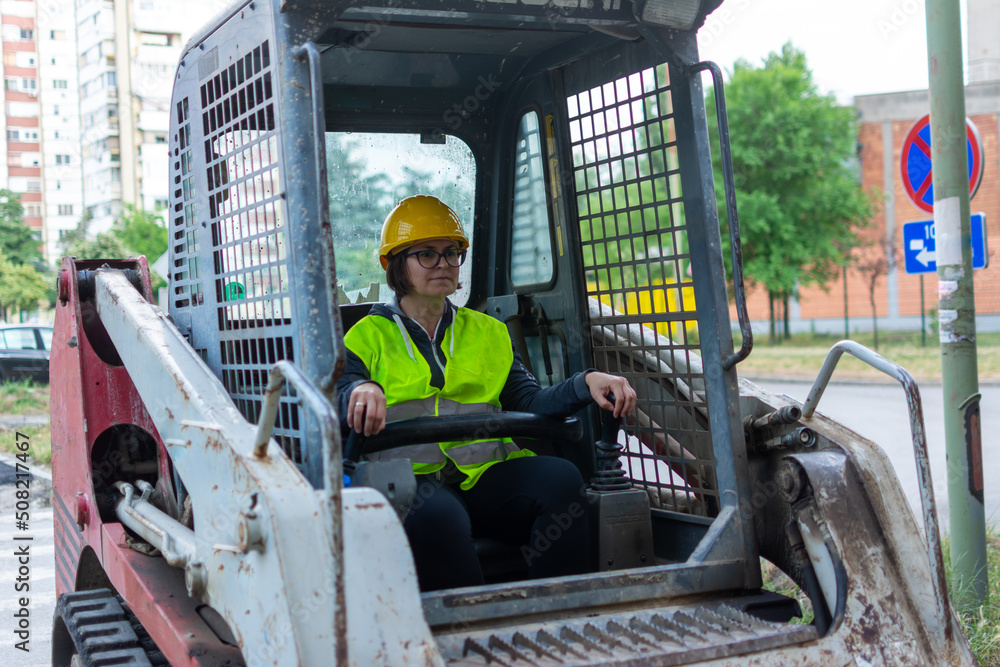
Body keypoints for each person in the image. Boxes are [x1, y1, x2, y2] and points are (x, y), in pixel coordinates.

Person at [337, 194, 636, 591]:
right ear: (395, 265)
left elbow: (528, 401)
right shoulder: (365, 336)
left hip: (481, 477)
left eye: (452, 253)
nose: (443, 264)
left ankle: (559, 617)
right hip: (409, 481)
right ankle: (475, 632)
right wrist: (362, 389)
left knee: (562, 480)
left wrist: (586, 382)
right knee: (439, 516)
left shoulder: (487, 333)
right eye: (427, 254)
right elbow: (345, 388)